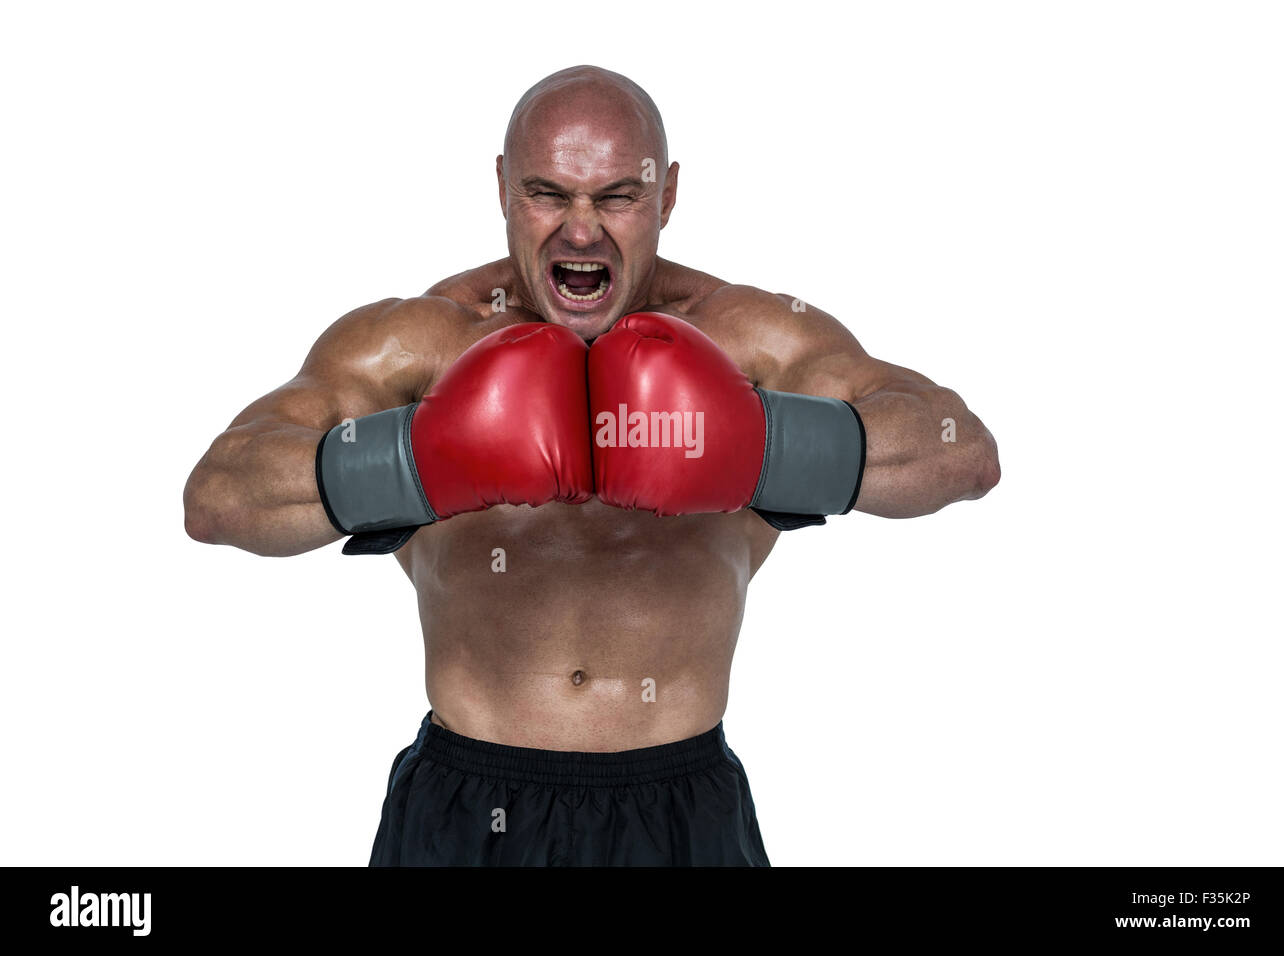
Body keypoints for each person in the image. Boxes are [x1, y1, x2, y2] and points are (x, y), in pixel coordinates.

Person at [183, 64, 1000, 866]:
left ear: (668, 195)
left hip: (681, 808)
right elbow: (220, 497)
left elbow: (959, 452)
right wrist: (417, 459)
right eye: (547, 193)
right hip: (467, 805)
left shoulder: (741, 339)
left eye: (618, 196)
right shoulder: (422, 344)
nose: (580, 231)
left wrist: (757, 441)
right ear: (502, 187)